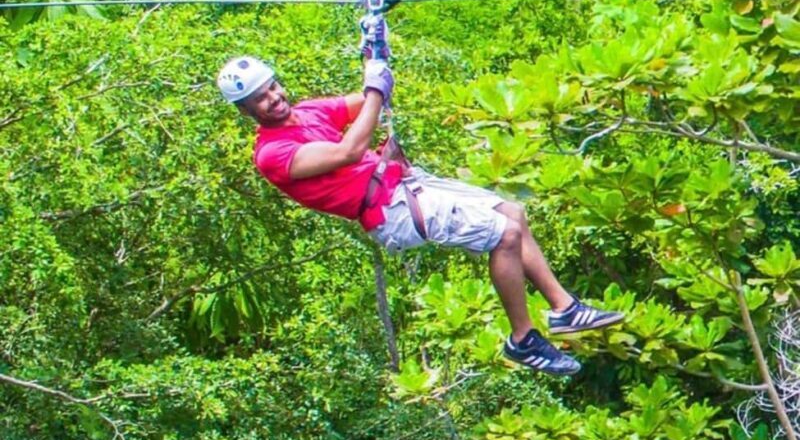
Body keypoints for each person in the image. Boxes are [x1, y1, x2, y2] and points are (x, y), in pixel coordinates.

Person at [216, 55, 624, 375]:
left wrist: (375, 62)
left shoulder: (307, 112)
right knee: (503, 234)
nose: (274, 97)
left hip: (405, 184)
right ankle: (523, 339)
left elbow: (367, 100)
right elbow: (349, 151)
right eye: (262, 98)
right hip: (390, 211)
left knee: (512, 212)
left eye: (272, 87)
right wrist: (375, 88)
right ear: (246, 110)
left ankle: (564, 308)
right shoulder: (272, 154)